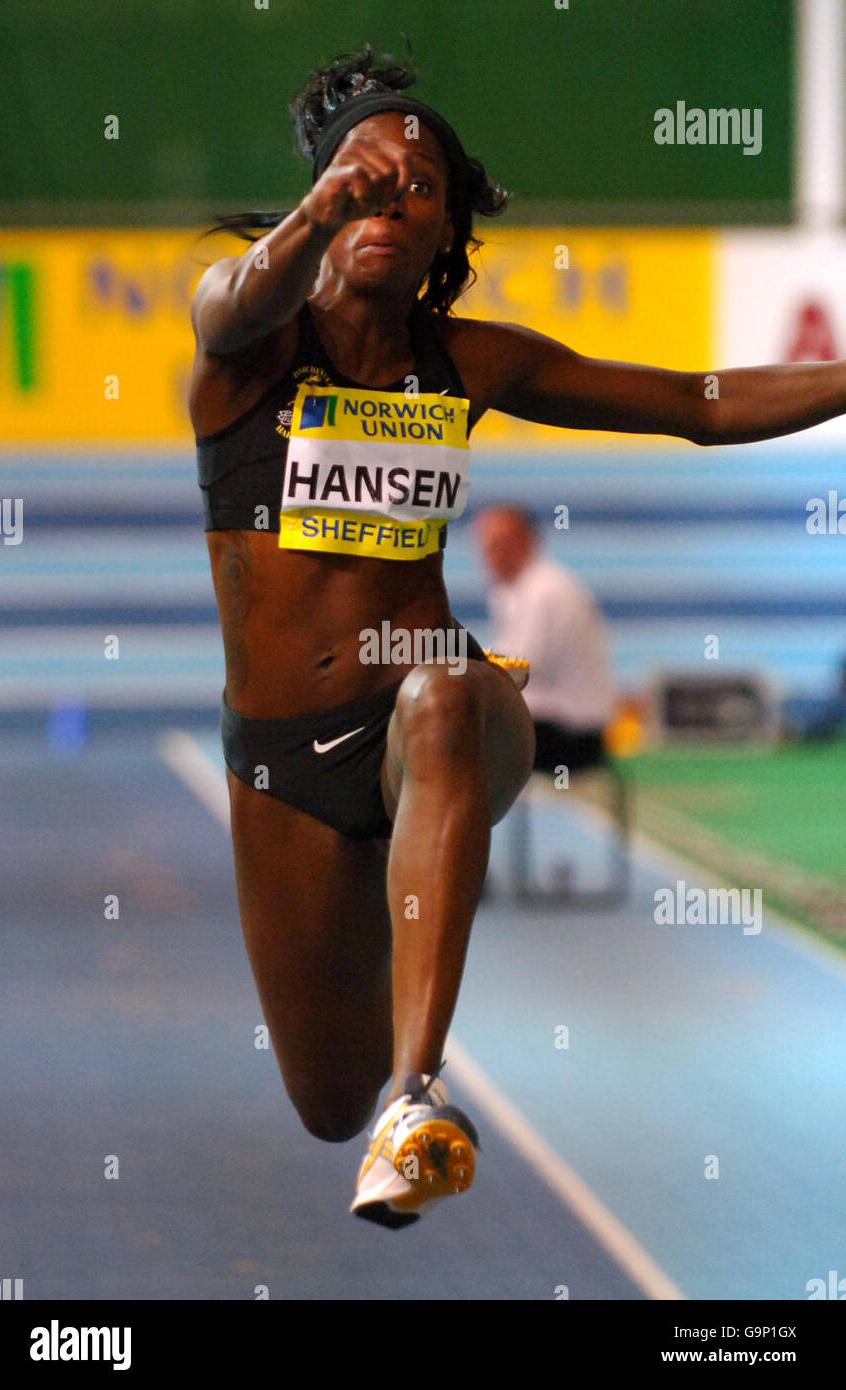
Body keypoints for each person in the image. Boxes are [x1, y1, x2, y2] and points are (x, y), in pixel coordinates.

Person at [190, 44, 846, 1229]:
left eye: (419, 187)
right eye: (361, 175)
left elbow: (697, 405)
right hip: (282, 754)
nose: (388, 195)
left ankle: (417, 1092)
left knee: (444, 694)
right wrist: (318, 208)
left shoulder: (468, 363)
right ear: (320, 197)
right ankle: (374, 1097)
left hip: (425, 706)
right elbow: (235, 296)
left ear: (447, 233)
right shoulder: (247, 353)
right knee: (324, 1102)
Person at [475, 503, 616, 775]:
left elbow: (518, 670)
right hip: (554, 725)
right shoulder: (514, 590)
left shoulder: (544, 591)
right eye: (487, 547)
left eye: (500, 545)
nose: (492, 556)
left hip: (572, 735)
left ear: (527, 541)